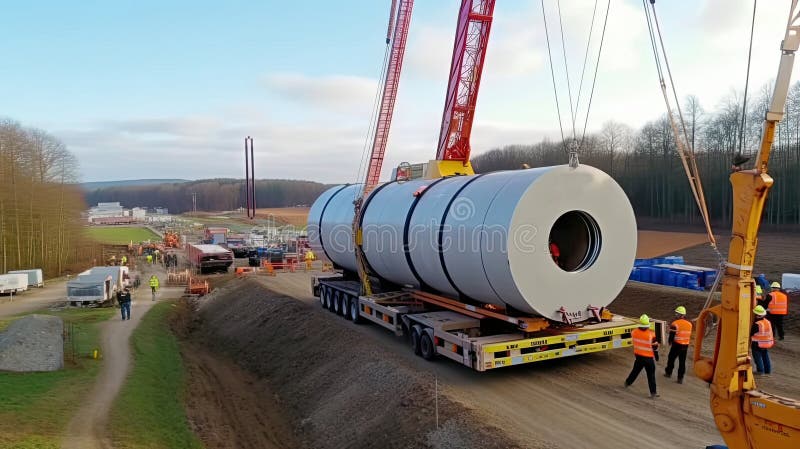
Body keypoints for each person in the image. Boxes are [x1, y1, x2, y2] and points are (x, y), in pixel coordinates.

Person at [625, 314, 660, 398]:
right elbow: (655, 347)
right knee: (651, 375)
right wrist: (657, 356)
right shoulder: (651, 334)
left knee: (635, 371)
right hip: (648, 359)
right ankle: (653, 393)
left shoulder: (634, 332)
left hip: (639, 357)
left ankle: (627, 382)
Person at [664, 306, 692, 384]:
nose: (676, 315)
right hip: (685, 345)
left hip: (677, 345)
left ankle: (668, 373)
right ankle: (680, 378)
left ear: (680, 314)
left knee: (671, 358)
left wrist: (670, 342)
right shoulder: (689, 324)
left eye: (677, 313)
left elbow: (672, 335)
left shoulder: (675, 323)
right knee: (682, 362)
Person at [751, 305, 774, 375]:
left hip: (757, 344)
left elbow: (751, 333)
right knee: (765, 356)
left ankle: (760, 371)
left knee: (758, 358)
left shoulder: (757, 324)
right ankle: (767, 370)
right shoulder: (767, 322)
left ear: (757, 315)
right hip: (766, 343)